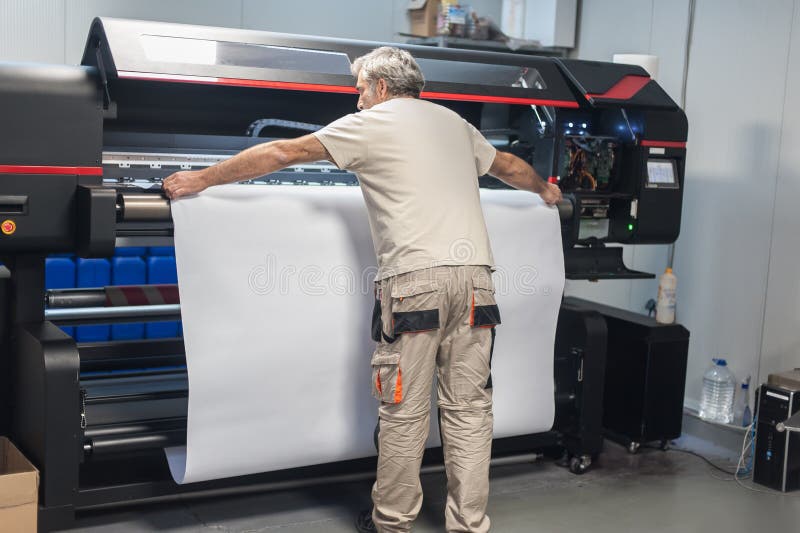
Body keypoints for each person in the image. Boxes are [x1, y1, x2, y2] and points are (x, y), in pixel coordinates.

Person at [162, 46, 561, 533]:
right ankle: (470, 524)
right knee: (470, 410)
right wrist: (546, 192)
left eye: (361, 91)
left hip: (416, 284)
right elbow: (510, 167)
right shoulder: (455, 124)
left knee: (405, 411)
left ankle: (391, 524)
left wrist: (202, 179)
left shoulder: (371, 124)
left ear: (382, 87)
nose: (357, 101)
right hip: (477, 281)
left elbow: (283, 152)